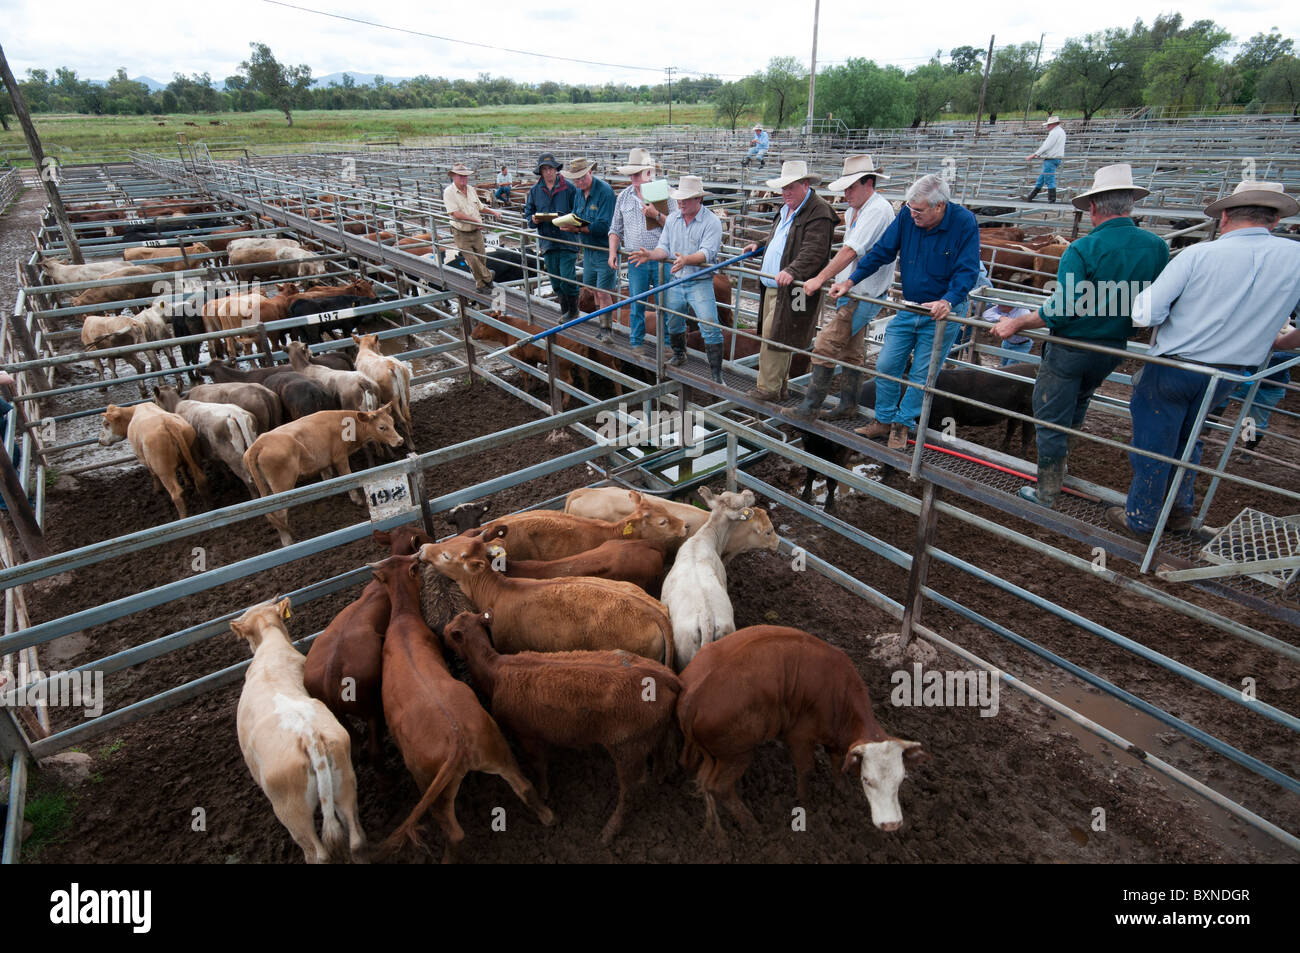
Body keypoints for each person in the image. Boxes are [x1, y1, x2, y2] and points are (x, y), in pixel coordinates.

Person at [1107, 180, 1300, 538]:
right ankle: (1180, 512)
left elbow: (1145, 313)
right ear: (1274, 220)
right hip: (1231, 373)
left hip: (1175, 367)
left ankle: (1142, 518)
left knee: (1155, 441)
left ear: (1224, 216)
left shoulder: (1200, 254)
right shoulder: (1295, 258)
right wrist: (1282, 342)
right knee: (1190, 437)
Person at [991, 163, 1169, 508]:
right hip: (1113, 347)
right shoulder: (1156, 248)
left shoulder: (1083, 249)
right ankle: (1063, 465)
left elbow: (1062, 308)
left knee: (1050, 413)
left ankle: (1047, 488)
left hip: (1071, 347)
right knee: (1079, 401)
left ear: (1092, 208)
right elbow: (1156, 301)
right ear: (1130, 204)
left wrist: (1017, 323)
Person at [830, 173, 980, 451]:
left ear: (939, 206)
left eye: (919, 210)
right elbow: (882, 252)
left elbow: (967, 269)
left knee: (922, 373)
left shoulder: (964, 223)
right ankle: (883, 420)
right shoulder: (906, 217)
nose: (913, 215)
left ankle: (903, 425)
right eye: (910, 208)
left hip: (941, 312)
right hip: (910, 306)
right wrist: (851, 279)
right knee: (886, 364)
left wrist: (948, 299)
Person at [794, 154, 894, 420]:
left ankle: (810, 406)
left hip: (863, 292)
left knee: (826, 344)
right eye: (846, 187)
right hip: (852, 290)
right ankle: (848, 404)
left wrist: (820, 278)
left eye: (851, 187)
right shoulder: (854, 211)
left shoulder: (877, 210)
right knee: (851, 351)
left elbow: (851, 250)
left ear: (868, 183)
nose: (846, 193)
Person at [742, 160, 836, 402]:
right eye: (783, 188)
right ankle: (779, 386)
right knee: (776, 334)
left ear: (805, 184)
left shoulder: (819, 212)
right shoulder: (787, 209)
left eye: (791, 187)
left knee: (777, 335)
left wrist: (792, 271)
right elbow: (781, 238)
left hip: (795, 290)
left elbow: (814, 251)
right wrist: (760, 245)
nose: (786, 193)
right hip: (774, 287)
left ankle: (767, 389)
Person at [630, 175, 725, 381]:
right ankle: (679, 354)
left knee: (709, 325)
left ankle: (716, 373)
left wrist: (687, 260)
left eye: (685, 198)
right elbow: (664, 248)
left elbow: (707, 253)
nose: (680, 202)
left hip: (699, 280)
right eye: (679, 198)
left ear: (698, 199)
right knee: (674, 322)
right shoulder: (672, 218)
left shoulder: (712, 222)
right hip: (677, 279)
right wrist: (650, 255)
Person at [609, 148, 676, 348]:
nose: (633, 177)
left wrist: (655, 215)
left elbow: (676, 226)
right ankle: (636, 342)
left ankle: (666, 344)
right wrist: (613, 251)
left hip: (661, 258)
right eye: (631, 173)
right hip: (636, 258)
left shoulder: (664, 193)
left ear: (648, 172)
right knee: (636, 302)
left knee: (664, 304)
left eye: (637, 173)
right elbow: (615, 228)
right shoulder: (623, 196)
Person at [559, 157, 617, 342]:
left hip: (604, 248)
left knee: (603, 291)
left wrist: (576, 228)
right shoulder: (578, 192)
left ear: (590, 172)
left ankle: (607, 329)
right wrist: (570, 221)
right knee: (593, 288)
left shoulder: (605, 192)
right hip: (589, 249)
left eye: (582, 177)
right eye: (575, 179)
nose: (579, 182)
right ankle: (603, 323)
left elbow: (604, 225)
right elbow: (577, 213)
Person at [523, 152, 579, 320]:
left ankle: (573, 310)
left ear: (556, 170)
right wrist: (532, 220)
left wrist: (568, 220)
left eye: (550, 169)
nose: (548, 172)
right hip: (547, 242)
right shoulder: (535, 191)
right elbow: (528, 213)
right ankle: (565, 311)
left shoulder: (569, 188)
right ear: (540, 172)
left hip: (566, 239)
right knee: (555, 280)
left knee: (567, 277)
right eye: (544, 169)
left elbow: (578, 210)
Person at [444, 161, 503, 292]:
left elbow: (479, 207)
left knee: (481, 257)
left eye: (465, 176)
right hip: (461, 231)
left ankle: (481, 285)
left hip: (476, 230)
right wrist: (475, 220)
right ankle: (488, 277)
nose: (463, 179)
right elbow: (455, 213)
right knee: (471, 259)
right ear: (453, 176)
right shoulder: (449, 192)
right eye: (460, 176)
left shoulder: (471, 189)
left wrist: (493, 212)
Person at [1025, 116, 1066, 204]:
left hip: (1051, 159)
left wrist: (1035, 154)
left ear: (1054, 124)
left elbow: (1046, 146)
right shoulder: (1061, 132)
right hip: (1056, 158)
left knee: (1049, 179)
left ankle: (1052, 199)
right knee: (1041, 179)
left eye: (1049, 125)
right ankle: (1030, 196)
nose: (1047, 127)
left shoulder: (1054, 133)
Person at [981, 301, 1035, 366]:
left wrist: (1013, 325)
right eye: (998, 303)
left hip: (1022, 344)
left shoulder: (1023, 312)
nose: (998, 305)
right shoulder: (1000, 307)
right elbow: (986, 314)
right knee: (1004, 363)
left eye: (1002, 304)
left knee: (1011, 365)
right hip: (1007, 342)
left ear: (1011, 305)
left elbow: (1027, 324)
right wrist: (1001, 318)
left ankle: (1006, 375)